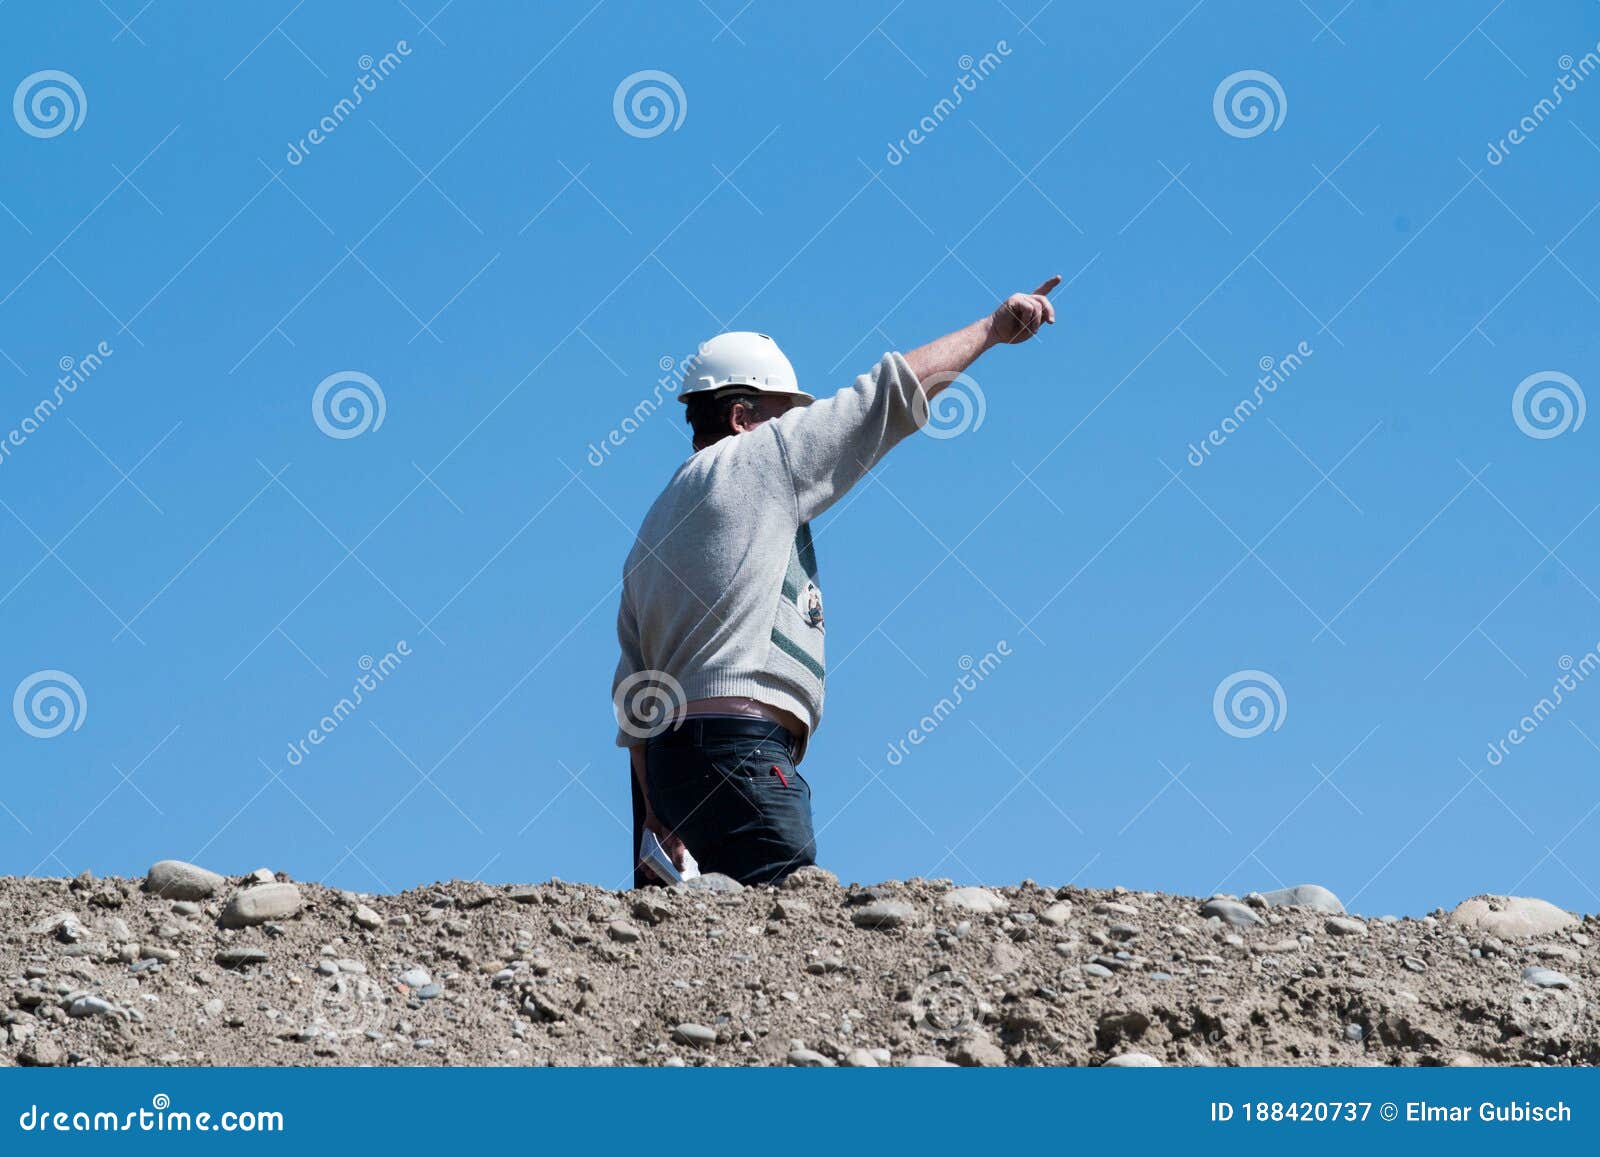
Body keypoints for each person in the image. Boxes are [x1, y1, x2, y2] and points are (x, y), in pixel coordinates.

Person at [614, 277, 1059, 886]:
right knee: (782, 919)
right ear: (742, 418)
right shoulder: (756, 460)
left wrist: (655, 815)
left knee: (720, 938)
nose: (794, 430)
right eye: (782, 416)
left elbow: (634, 696)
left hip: (673, 768)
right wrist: (992, 330)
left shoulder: (653, 525)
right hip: (740, 750)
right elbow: (883, 399)